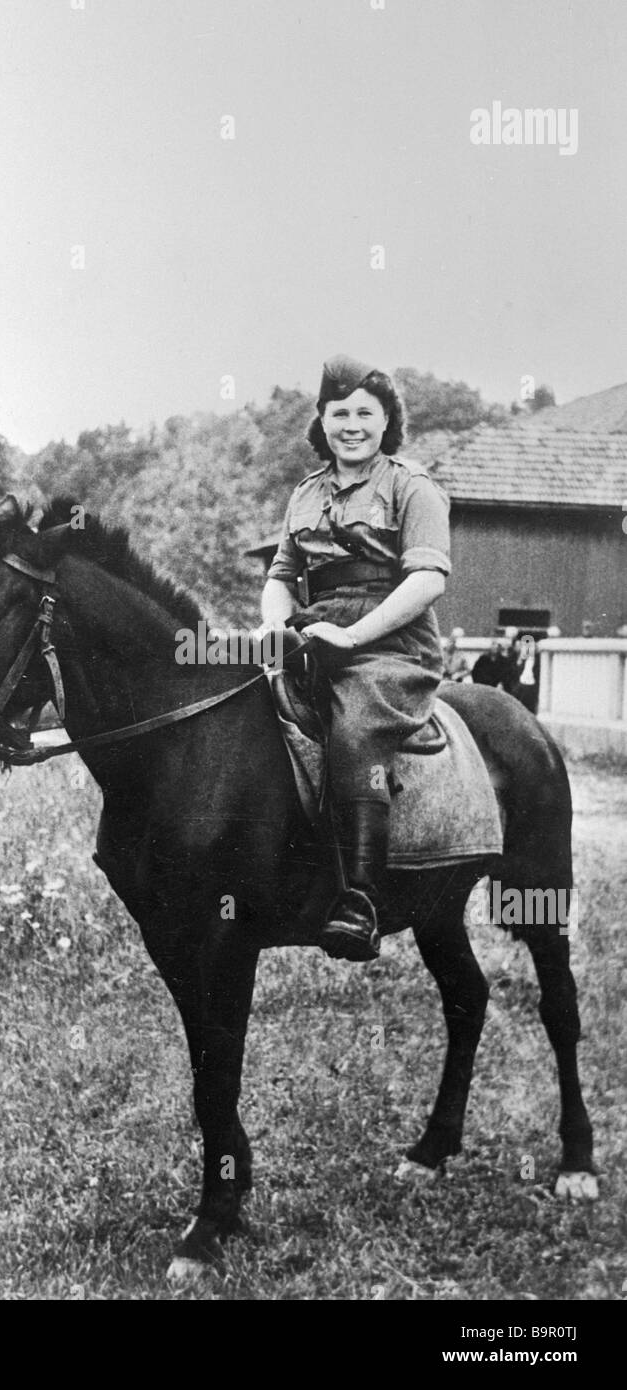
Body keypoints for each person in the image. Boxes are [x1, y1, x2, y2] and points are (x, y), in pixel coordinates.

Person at [259, 354, 451, 963]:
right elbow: (282, 576)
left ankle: (360, 899)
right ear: (321, 419)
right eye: (338, 412)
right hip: (314, 634)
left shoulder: (411, 487)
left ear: (386, 419)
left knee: (358, 723)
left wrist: (356, 635)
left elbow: (427, 582)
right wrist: (271, 624)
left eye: (365, 413)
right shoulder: (305, 494)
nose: (351, 424)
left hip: (394, 645)